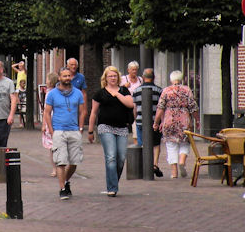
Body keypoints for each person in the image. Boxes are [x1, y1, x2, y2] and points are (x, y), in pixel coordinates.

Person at [87, 65, 135, 197]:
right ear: (105, 78)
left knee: (121, 158)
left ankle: (113, 181)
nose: (113, 78)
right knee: (111, 157)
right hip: (105, 127)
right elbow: (93, 113)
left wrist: (117, 94)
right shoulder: (100, 93)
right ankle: (112, 187)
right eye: (110, 76)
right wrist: (90, 131)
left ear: (118, 77)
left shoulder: (124, 91)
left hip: (122, 128)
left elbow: (130, 104)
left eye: (115, 76)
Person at [43, 66, 85, 199]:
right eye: (64, 76)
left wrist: (81, 127)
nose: (67, 78)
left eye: (69, 76)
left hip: (74, 130)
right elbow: (47, 113)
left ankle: (66, 181)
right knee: (60, 161)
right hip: (59, 130)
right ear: (59, 78)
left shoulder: (77, 93)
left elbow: (83, 111)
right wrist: (51, 129)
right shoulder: (52, 94)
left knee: (74, 162)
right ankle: (62, 189)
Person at [152, 70, 199, 179]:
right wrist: (197, 120)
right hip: (184, 120)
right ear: (181, 79)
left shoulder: (166, 91)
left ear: (171, 79)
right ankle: (182, 161)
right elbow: (193, 106)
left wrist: (156, 122)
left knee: (171, 145)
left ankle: (174, 172)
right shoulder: (187, 90)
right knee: (185, 142)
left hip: (169, 120)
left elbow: (160, 108)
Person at [132, 68, 164, 176]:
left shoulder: (136, 91)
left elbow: (134, 108)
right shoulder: (159, 90)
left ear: (143, 77)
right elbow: (161, 107)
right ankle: (154, 164)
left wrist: (135, 119)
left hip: (141, 121)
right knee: (156, 144)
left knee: (142, 144)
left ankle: (145, 165)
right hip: (156, 121)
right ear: (153, 77)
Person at [42, 71, 59, 177]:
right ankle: (55, 168)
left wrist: (44, 124)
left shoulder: (51, 93)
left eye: (47, 79)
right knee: (52, 147)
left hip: (52, 121)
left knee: (53, 147)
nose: (46, 81)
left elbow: (46, 110)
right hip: (51, 121)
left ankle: (56, 168)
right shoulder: (49, 92)